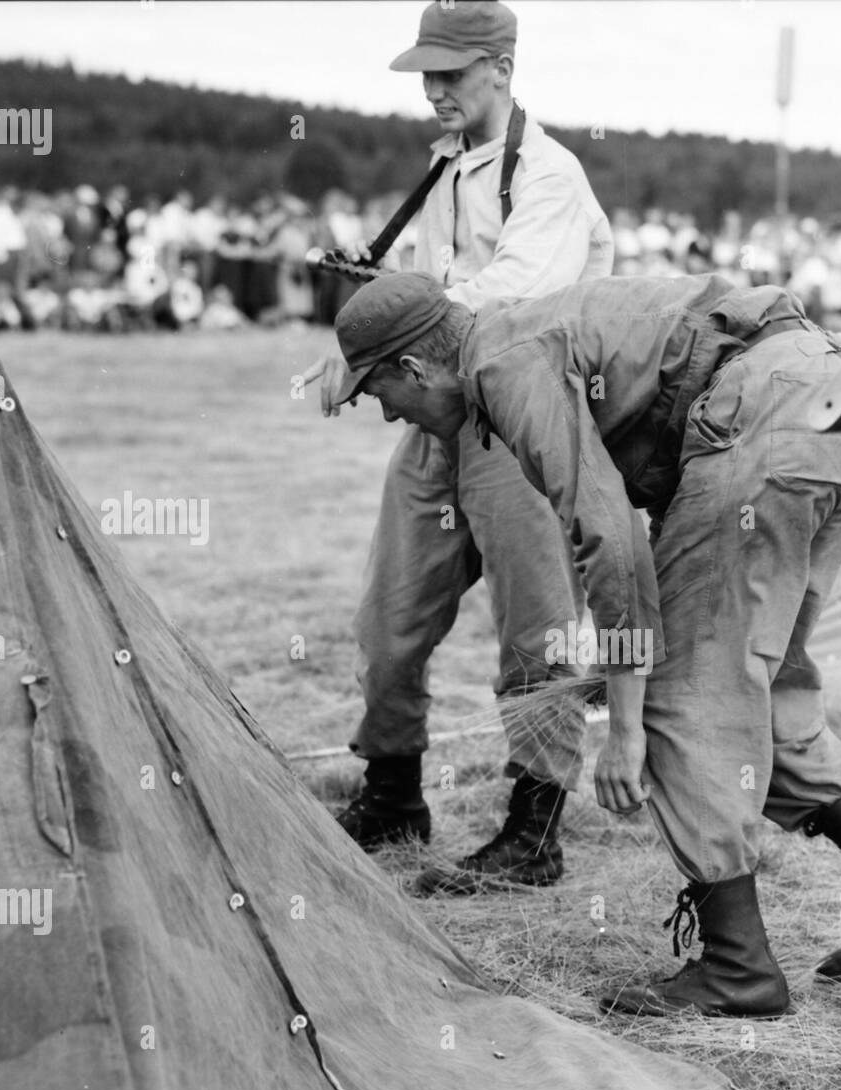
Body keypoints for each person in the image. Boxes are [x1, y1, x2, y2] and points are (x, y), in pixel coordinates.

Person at [321, 270, 841, 1016]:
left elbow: (613, 545)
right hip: (826, 400)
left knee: (677, 689)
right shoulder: (511, 334)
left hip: (762, 415)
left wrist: (626, 724)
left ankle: (736, 966)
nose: (387, 417)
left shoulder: (501, 363)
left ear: (414, 367)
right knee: (756, 677)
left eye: (379, 396)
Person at [304, 1, 612, 895]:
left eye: (452, 72)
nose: (434, 89)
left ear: (502, 68)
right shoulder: (444, 170)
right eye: (426, 73)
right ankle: (394, 791)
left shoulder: (550, 175)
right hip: (439, 413)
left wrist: (387, 321)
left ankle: (535, 824)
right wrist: (379, 285)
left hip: (520, 422)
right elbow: (441, 295)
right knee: (388, 622)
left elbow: (510, 299)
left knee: (537, 631)